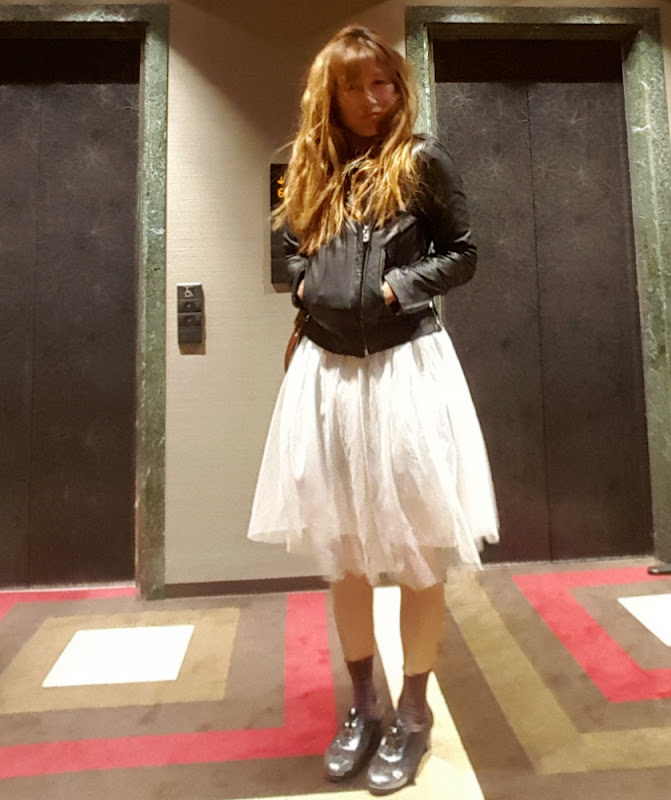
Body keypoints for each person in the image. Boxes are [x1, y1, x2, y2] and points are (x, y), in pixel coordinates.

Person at [248, 25, 499, 796]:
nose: (374, 98)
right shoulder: (305, 169)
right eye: (356, 85)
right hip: (326, 373)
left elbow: (463, 252)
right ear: (330, 93)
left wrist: (394, 288)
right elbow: (285, 251)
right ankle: (365, 705)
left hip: (406, 368)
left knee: (422, 543)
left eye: (384, 82)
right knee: (346, 549)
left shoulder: (423, 160)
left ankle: (415, 713)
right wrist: (303, 284)